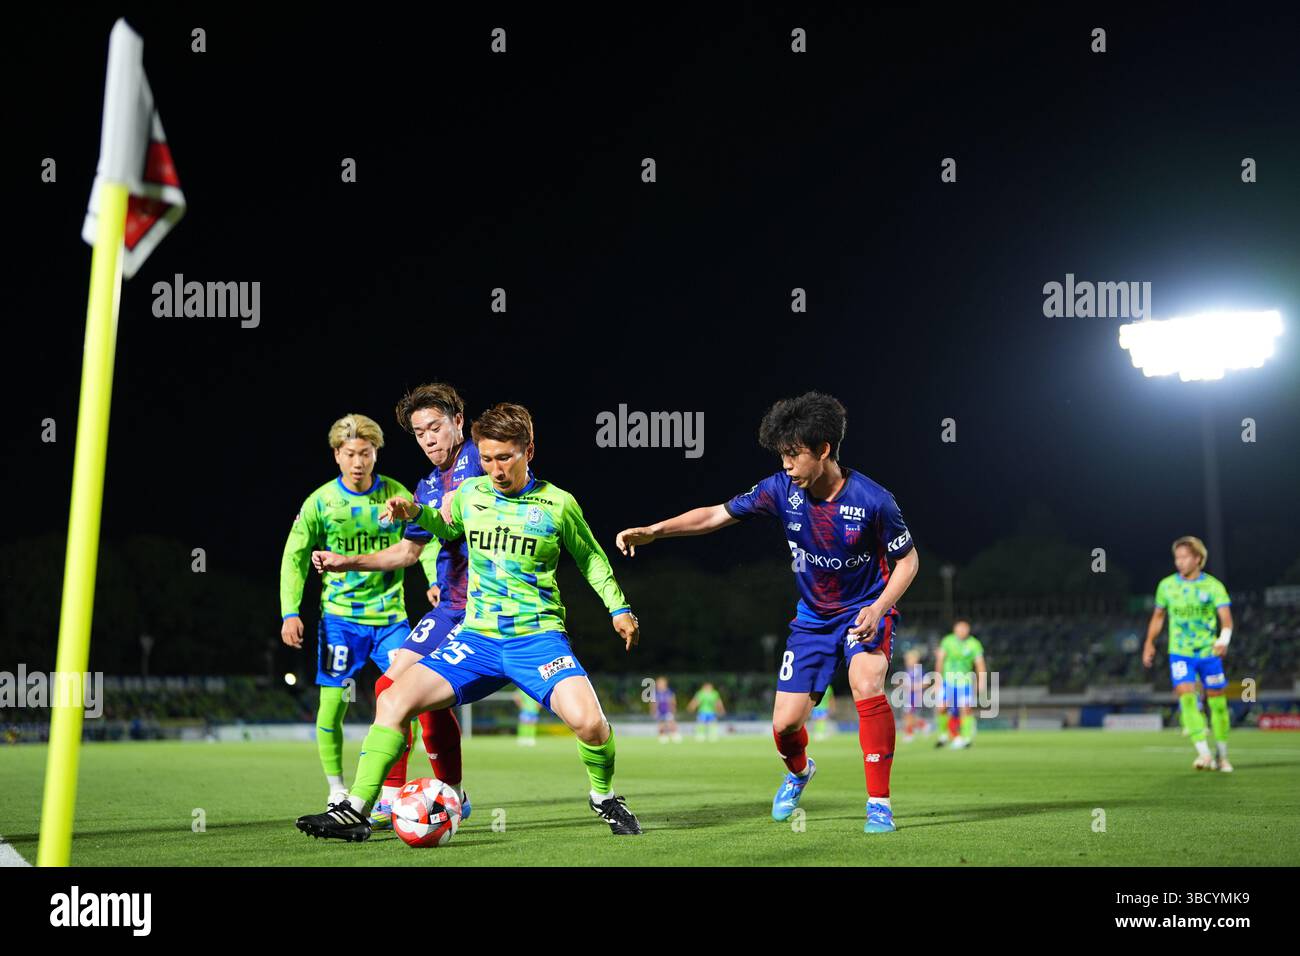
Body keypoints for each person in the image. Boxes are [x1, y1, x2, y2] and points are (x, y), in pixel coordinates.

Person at [295, 402, 645, 840]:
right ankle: (357, 809)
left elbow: (592, 557)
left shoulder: (557, 504)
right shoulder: (470, 494)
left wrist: (618, 608)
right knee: (391, 698)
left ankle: (604, 797)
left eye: (505, 458)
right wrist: (415, 514)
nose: (495, 469)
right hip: (476, 639)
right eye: (486, 458)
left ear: (528, 451)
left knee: (591, 725)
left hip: (536, 639)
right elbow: (445, 531)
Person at [616, 392, 919, 833]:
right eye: (782, 455)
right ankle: (799, 772)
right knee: (784, 725)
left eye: (794, 455)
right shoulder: (780, 490)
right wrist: (656, 532)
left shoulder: (874, 500)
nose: (786, 465)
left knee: (866, 683)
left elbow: (908, 562)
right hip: (812, 619)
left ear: (824, 450)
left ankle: (879, 805)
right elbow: (715, 515)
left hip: (863, 611)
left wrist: (878, 607)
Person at [310, 384, 479, 825]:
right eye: (420, 432)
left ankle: (450, 793)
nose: (428, 439)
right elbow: (407, 553)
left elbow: (454, 519)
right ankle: (395, 796)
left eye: (435, 427)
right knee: (391, 690)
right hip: (452, 606)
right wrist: (348, 562)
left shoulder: (482, 457)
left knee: (583, 721)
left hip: (490, 606)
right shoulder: (425, 485)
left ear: (458, 421)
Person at [280, 413, 420, 808]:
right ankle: (337, 788)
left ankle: (390, 793)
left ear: (376, 453)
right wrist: (290, 611)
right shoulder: (321, 502)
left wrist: (435, 582)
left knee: (409, 698)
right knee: (333, 704)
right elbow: (295, 556)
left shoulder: (395, 494)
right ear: (336, 455)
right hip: (340, 621)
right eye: (350, 453)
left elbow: (422, 540)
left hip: (391, 619)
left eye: (366, 452)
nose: (358, 462)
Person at [1142, 535, 1235, 772]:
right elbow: (1158, 617)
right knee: (1186, 696)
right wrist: (1149, 643)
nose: (1179, 562)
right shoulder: (1167, 586)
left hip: (1208, 652)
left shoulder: (1213, 586)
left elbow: (1226, 621)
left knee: (1218, 705)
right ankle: (1204, 754)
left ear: (1198, 558)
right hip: (1180, 652)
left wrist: (1223, 641)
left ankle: (1222, 755)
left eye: (1184, 557)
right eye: (1177, 558)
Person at [934, 620, 986, 749]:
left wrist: (982, 681)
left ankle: (966, 738)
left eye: (964, 629)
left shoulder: (974, 644)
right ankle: (943, 735)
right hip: (948, 681)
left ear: (968, 631)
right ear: (955, 630)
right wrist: (937, 680)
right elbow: (940, 660)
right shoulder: (947, 641)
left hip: (965, 681)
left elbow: (980, 664)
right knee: (942, 708)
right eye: (959, 629)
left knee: (965, 708)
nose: (962, 632)